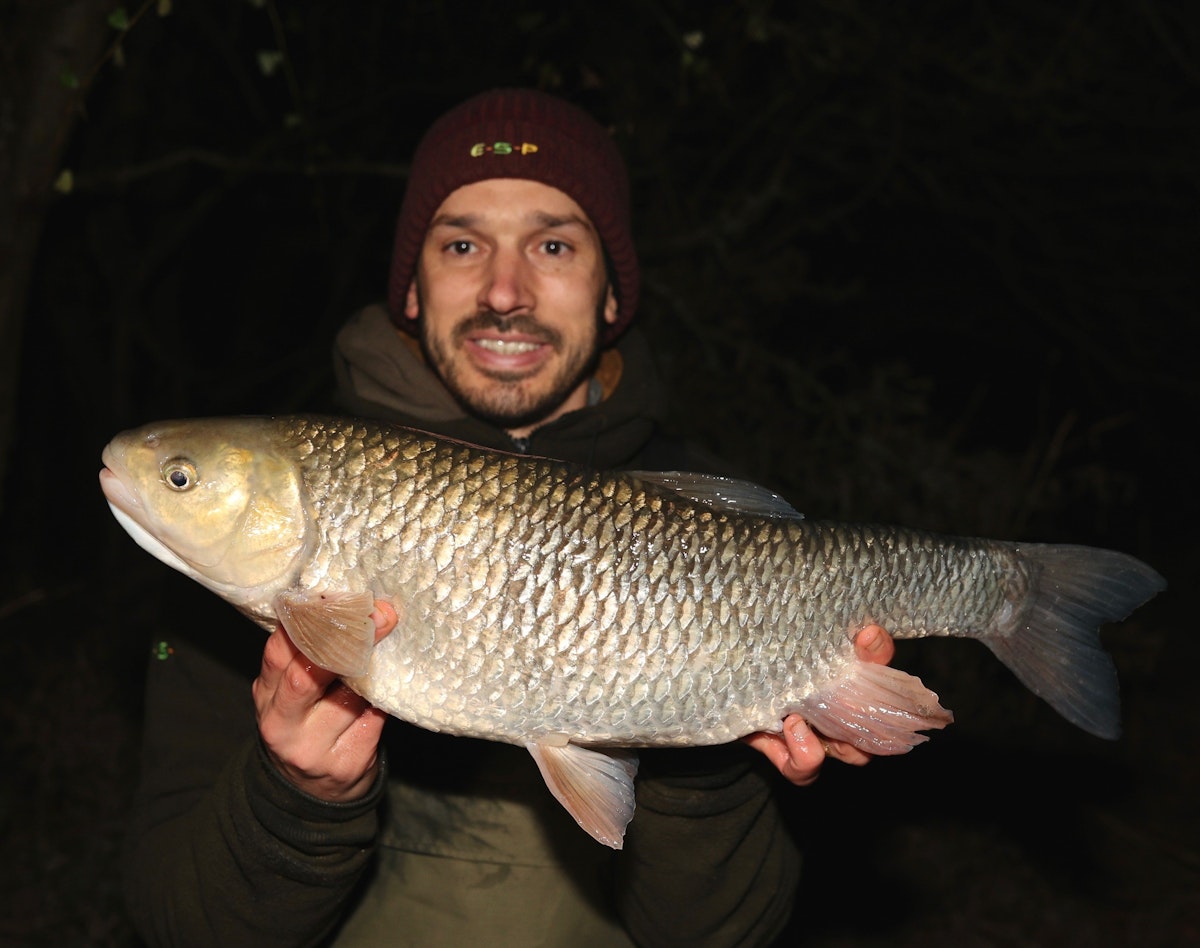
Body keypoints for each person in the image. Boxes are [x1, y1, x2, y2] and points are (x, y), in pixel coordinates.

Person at [122, 88, 896, 947]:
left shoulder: (711, 515)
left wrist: (705, 750)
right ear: (410, 290)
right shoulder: (216, 606)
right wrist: (300, 800)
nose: (503, 290)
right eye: (461, 244)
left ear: (612, 296)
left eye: (553, 244)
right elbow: (172, 927)